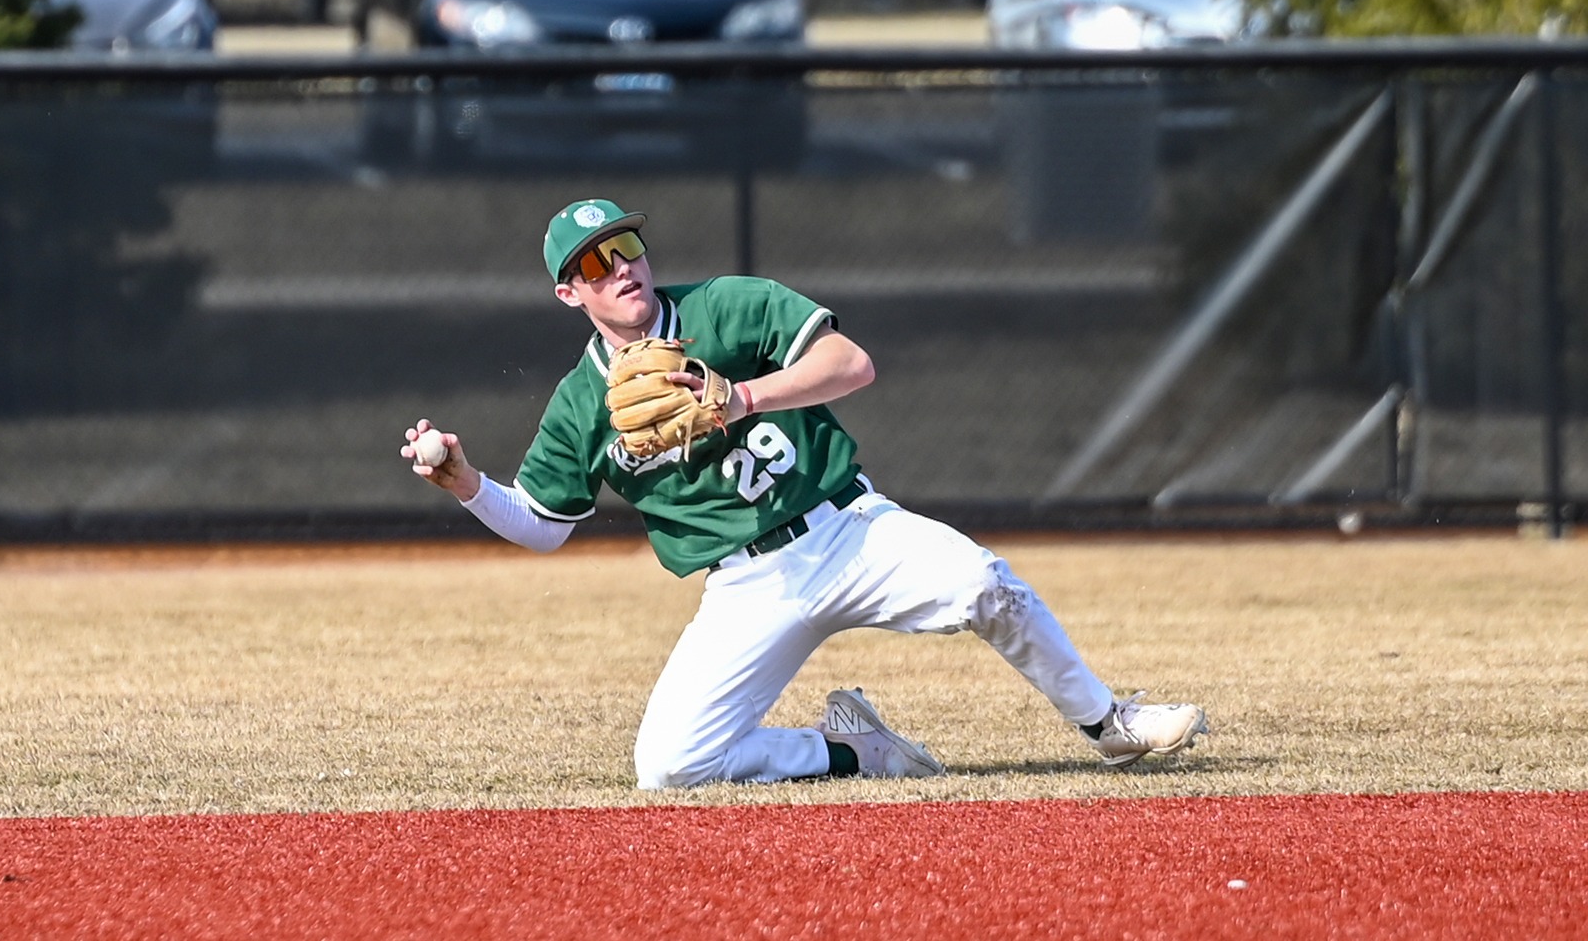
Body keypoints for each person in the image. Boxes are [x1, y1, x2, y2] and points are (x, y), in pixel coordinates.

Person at [402, 198, 1208, 788]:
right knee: (669, 767)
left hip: (846, 529)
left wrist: (741, 395)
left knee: (985, 585)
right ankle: (856, 751)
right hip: (747, 585)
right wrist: (465, 483)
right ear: (567, 294)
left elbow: (852, 364)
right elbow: (544, 526)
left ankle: (1110, 723)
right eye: (591, 265)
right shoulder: (581, 403)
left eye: (626, 247)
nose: (618, 269)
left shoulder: (725, 307)